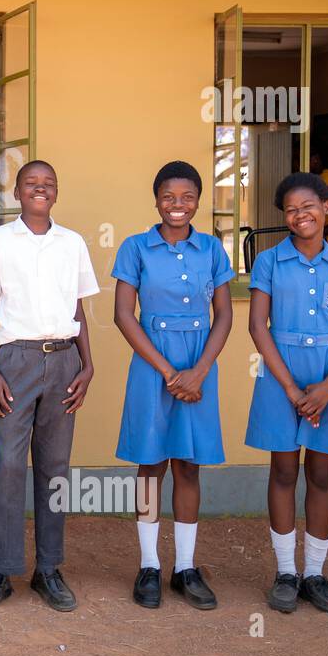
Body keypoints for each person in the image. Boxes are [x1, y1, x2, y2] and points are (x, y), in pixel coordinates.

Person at [0, 160, 98, 613]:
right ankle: (0, 570)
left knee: (54, 466)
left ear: (56, 193)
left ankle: (48, 569)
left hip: (63, 360)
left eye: (48, 184)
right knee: (8, 466)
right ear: (17, 193)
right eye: (31, 184)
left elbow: (78, 310)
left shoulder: (73, 243)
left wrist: (88, 364)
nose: (40, 190)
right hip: (15, 361)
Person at [111, 161, 233, 611]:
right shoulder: (135, 247)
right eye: (168, 196)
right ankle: (148, 565)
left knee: (188, 465)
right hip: (151, 363)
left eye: (186, 197)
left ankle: (184, 567)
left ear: (199, 200)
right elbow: (124, 315)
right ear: (156, 199)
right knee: (150, 465)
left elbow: (225, 315)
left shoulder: (213, 251)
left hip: (200, 361)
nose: (177, 205)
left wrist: (199, 371)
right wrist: (168, 372)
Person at [246, 173, 328, 616]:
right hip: (281, 374)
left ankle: (314, 573)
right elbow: (258, 326)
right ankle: (285, 572)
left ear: (327, 207)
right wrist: (293, 388)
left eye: (308, 206)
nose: (301, 215)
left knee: (320, 474)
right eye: (292, 210)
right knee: (282, 471)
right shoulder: (270, 262)